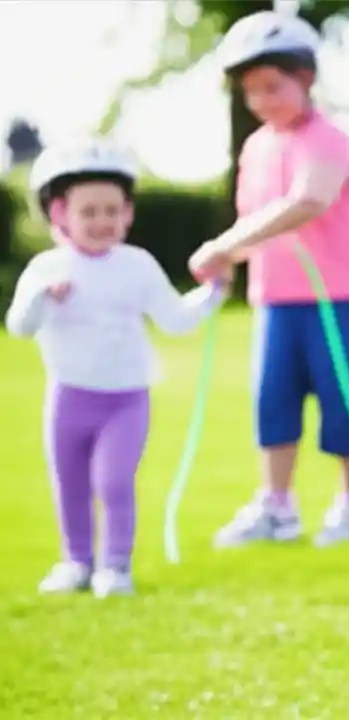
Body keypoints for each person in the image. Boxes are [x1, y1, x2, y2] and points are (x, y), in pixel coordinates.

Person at [187, 10, 349, 549]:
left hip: (340, 294)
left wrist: (223, 244)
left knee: (341, 398)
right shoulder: (256, 147)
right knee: (272, 400)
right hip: (276, 296)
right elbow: (253, 221)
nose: (262, 101)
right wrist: (227, 261)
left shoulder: (330, 139)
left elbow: (308, 202)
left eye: (272, 87)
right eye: (251, 92)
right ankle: (276, 506)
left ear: (305, 79)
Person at [5, 137, 227, 597]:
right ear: (60, 213)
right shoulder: (47, 269)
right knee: (70, 483)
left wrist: (214, 293)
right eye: (89, 212)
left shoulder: (137, 266)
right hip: (68, 396)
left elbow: (175, 320)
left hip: (126, 398)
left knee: (113, 480)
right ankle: (76, 562)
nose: (103, 222)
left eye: (113, 210)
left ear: (127, 213)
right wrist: (43, 298)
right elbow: (20, 328)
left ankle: (115, 566)